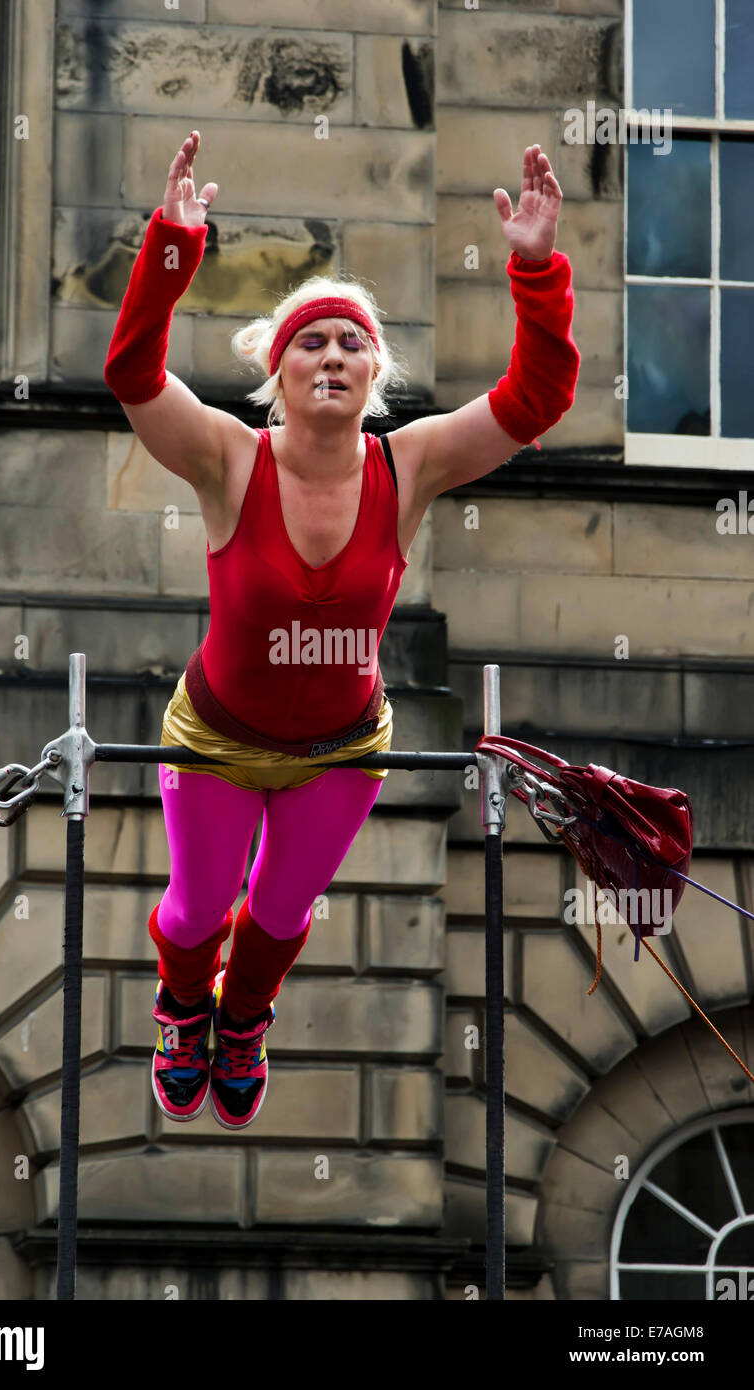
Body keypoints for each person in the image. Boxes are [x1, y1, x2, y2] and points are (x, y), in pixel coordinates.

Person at [104, 130, 580, 1131]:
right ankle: (183, 1008)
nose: (331, 355)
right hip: (218, 737)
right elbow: (134, 374)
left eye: (351, 342)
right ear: (278, 373)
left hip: (341, 748)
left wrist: (535, 269)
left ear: (375, 375)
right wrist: (173, 251)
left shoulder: (408, 465)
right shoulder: (229, 459)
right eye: (310, 343)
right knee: (194, 913)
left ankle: (245, 1018)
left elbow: (534, 400)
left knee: (278, 917)